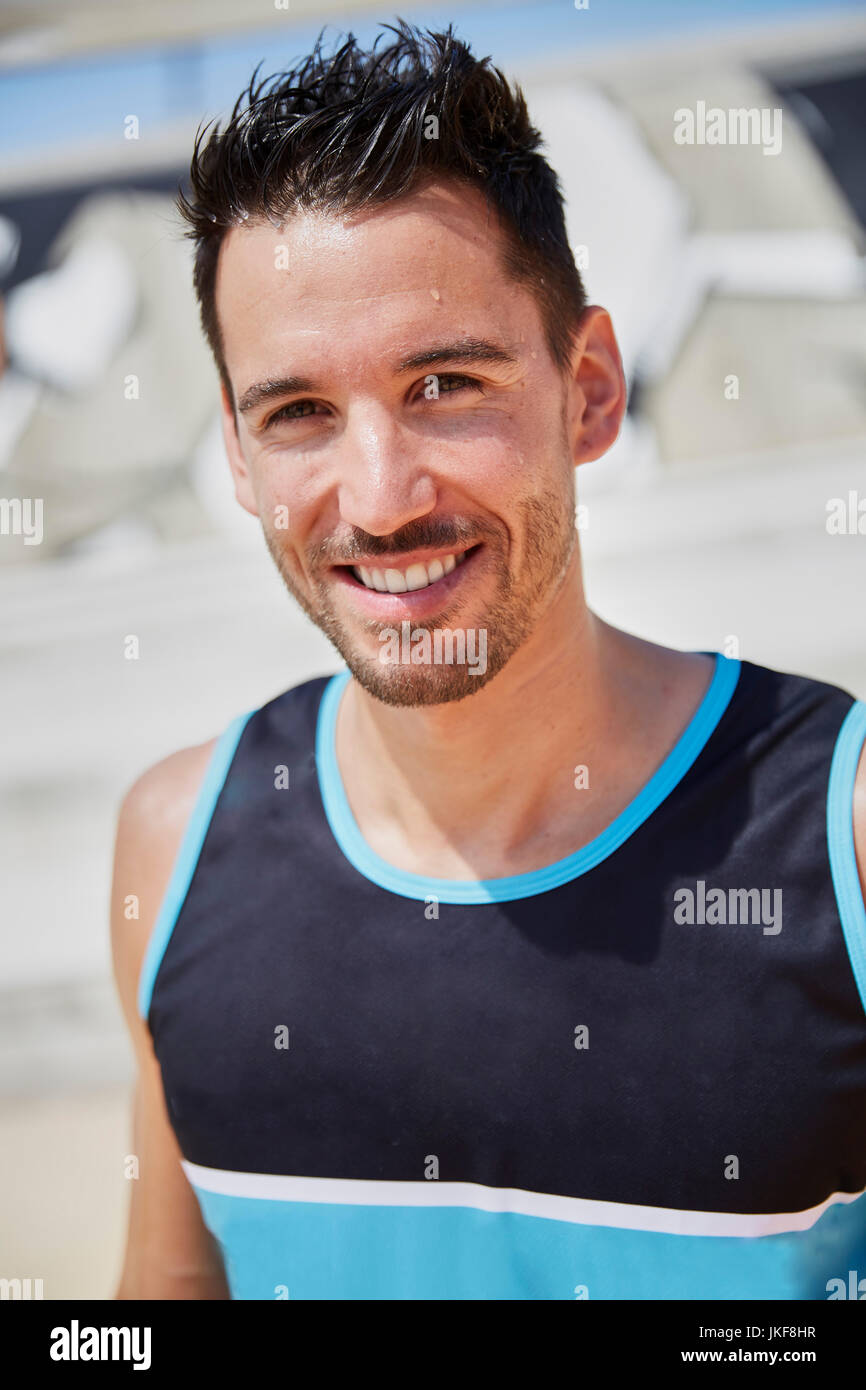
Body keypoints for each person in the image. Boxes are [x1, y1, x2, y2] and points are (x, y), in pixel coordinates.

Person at [111, 22, 866, 1300]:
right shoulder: (174, 843)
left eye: (445, 384)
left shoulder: (840, 835)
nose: (381, 496)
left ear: (587, 390)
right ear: (237, 458)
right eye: (298, 412)